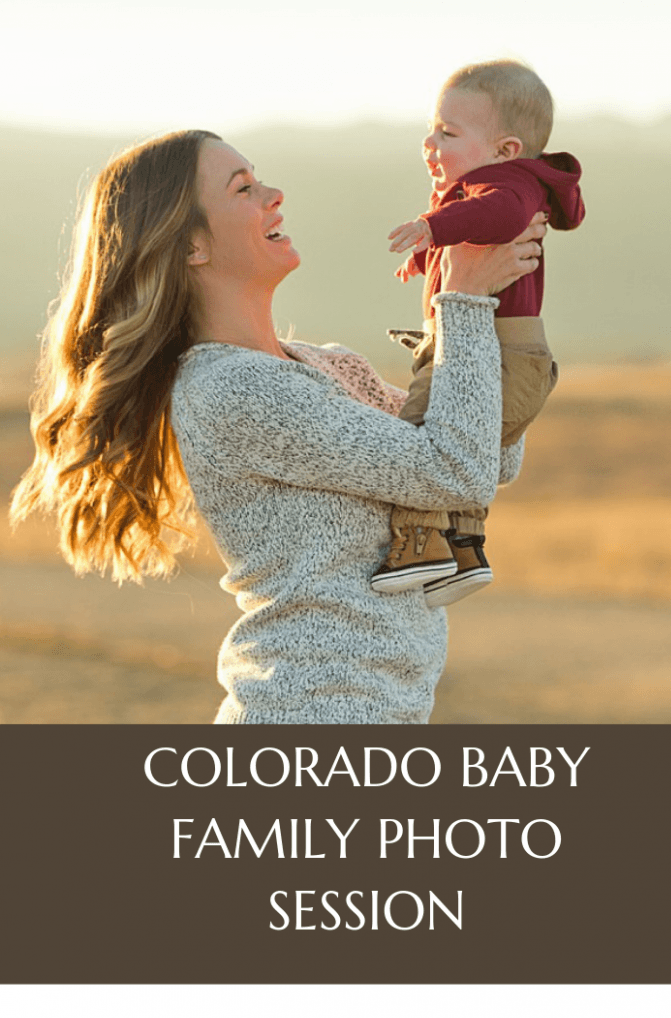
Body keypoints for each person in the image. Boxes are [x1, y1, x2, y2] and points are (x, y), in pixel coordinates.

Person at [10, 130, 546, 725]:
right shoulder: (231, 388)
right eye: (245, 188)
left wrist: (501, 303)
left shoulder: (329, 366)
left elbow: (489, 457)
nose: (274, 195)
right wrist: (464, 299)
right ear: (192, 245)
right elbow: (455, 473)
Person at [371, 60, 585, 605]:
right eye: (431, 128)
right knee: (467, 454)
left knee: (420, 436)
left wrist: (432, 227)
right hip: (510, 358)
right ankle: (463, 547)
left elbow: (499, 218)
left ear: (506, 149)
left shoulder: (505, 187)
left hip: (499, 356)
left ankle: (417, 547)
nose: (430, 142)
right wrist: (428, 256)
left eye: (448, 132)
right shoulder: (495, 184)